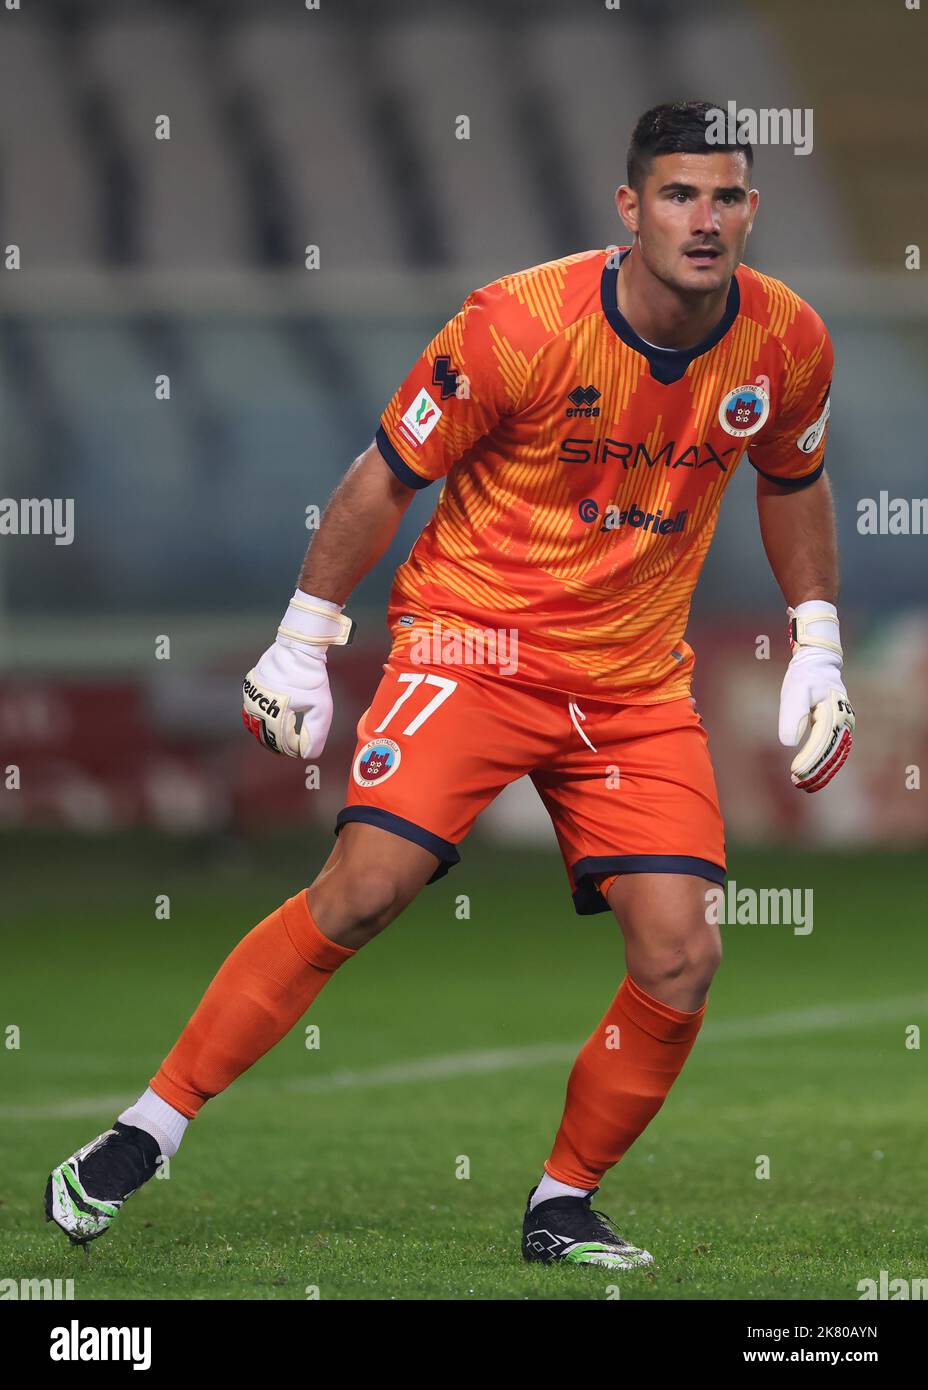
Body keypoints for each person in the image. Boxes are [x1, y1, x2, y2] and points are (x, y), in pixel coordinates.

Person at [46, 100, 854, 1271]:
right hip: (470, 647)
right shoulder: (515, 325)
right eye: (679, 194)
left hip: (630, 680)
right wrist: (301, 638)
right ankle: (145, 1128)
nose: (705, 218)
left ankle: (561, 1203)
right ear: (629, 209)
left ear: (751, 210)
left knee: (681, 951)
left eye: (726, 196)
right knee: (368, 885)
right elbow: (385, 475)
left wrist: (817, 640)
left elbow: (794, 474)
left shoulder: (786, 340)